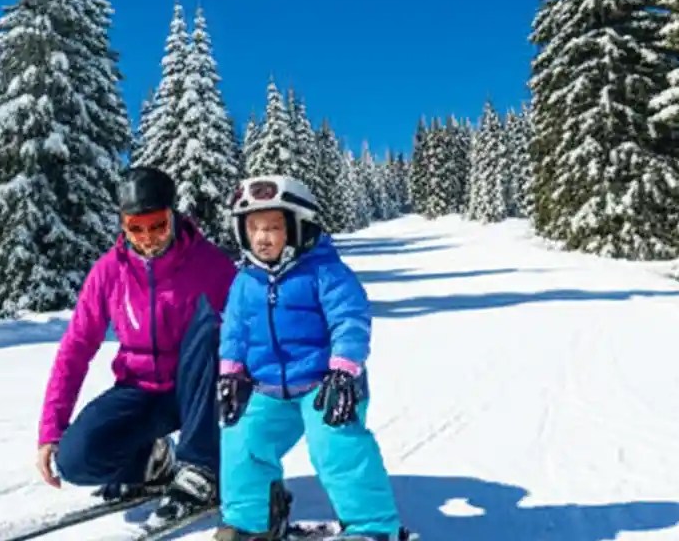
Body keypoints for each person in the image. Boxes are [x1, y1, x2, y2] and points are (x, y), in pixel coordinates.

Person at [212, 175, 413, 541]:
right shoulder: (245, 281)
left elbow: (349, 319)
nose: (263, 237)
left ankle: (373, 527)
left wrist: (344, 369)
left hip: (325, 385)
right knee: (241, 440)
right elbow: (234, 331)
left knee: (335, 446)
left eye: (273, 226)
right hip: (266, 386)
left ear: (299, 227)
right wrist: (231, 373)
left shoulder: (325, 271)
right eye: (253, 228)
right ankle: (252, 523)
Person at [35, 166, 237, 523]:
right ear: (123, 224)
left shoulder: (212, 265)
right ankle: (151, 462)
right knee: (75, 460)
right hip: (139, 390)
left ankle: (201, 467)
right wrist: (52, 428)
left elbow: (251, 330)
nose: (148, 238)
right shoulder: (109, 272)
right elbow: (76, 348)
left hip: (198, 390)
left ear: (173, 216)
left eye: (158, 225)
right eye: (135, 228)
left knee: (208, 328)